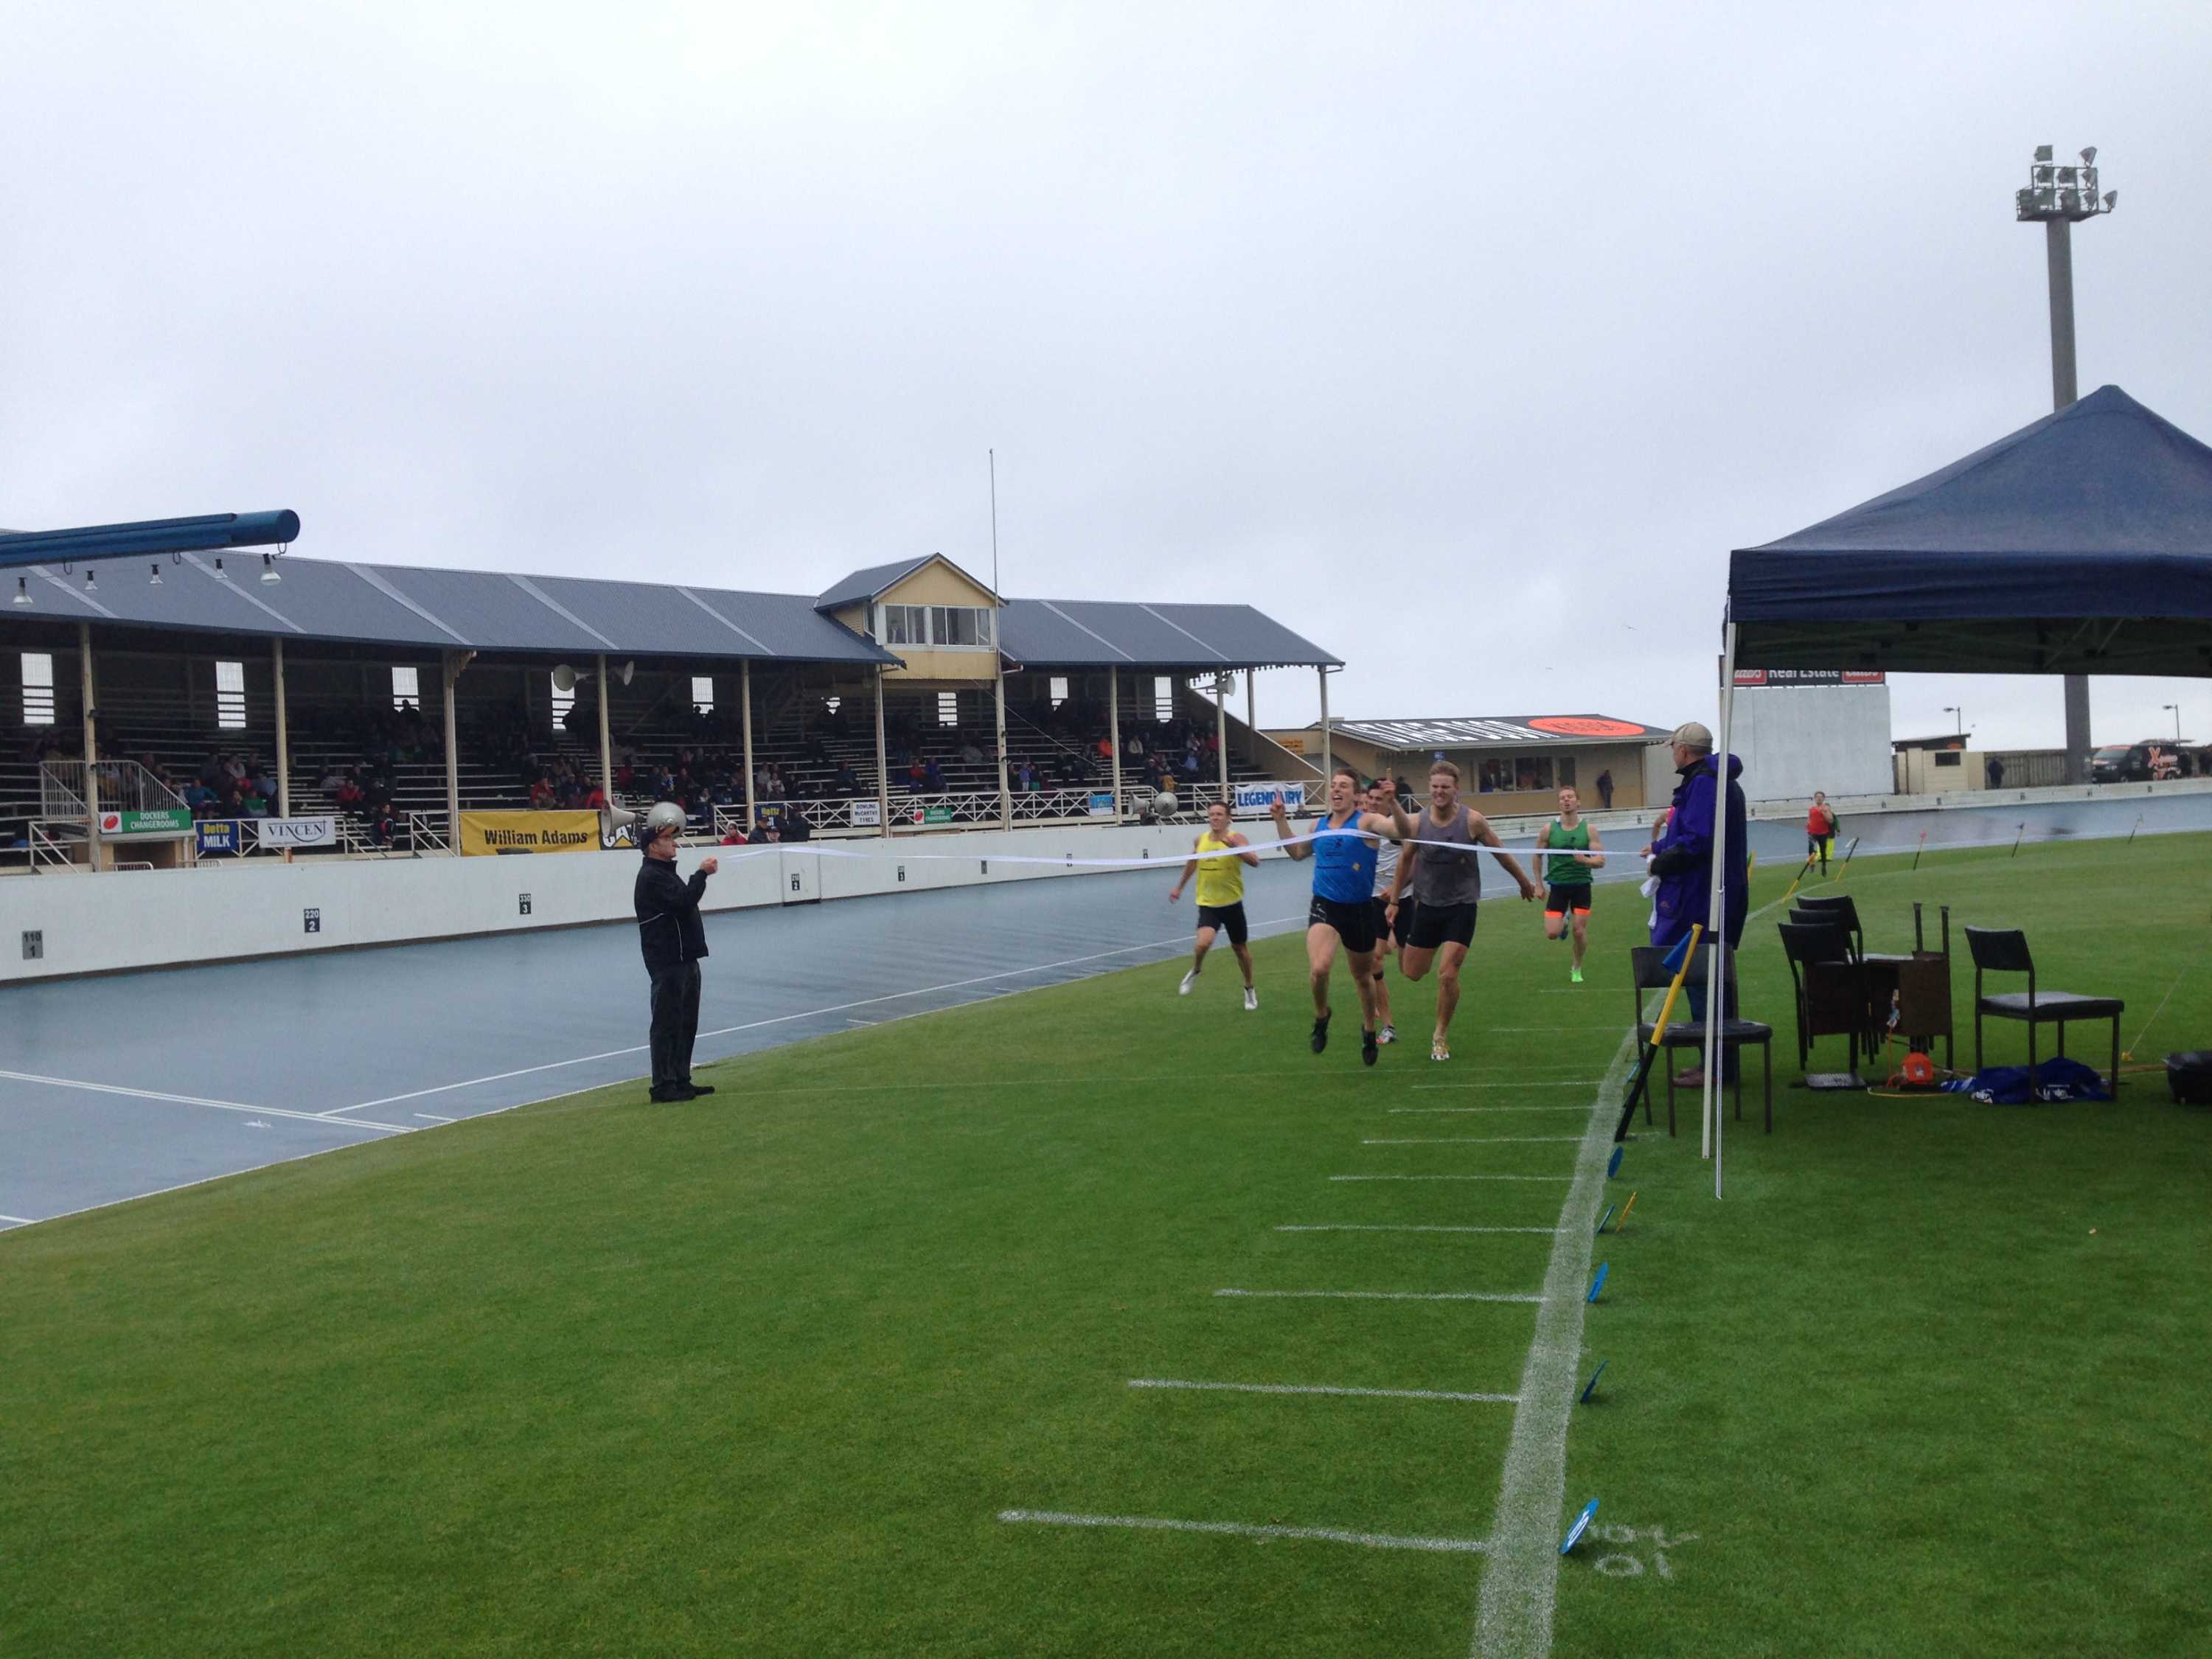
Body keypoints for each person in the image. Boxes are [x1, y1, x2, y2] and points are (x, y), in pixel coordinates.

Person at [1393, 760, 1540, 1062]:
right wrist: (1394, 899)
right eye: (1434, 787)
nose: (1439, 792)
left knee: (1447, 974)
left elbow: (1500, 852)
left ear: (1455, 789)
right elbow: (1406, 860)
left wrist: (1524, 881)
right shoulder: (1419, 823)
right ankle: (1431, 971)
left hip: (1462, 904)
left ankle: (1440, 1036)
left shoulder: (1472, 821)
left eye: (1445, 787)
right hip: (1428, 904)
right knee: (1412, 972)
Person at [1270, 768, 1413, 1065]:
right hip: (1325, 905)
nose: (1337, 790)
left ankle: (1369, 1029)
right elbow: (1297, 853)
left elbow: (1404, 832)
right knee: (1320, 968)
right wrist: (1281, 821)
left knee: (1363, 976)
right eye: (1333, 785)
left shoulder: (1367, 822)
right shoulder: (1318, 825)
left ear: (1355, 794)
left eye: (1344, 786)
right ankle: (1322, 1016)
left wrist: (1394, 803)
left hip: (1359, 909)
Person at [1645, 721, 1748, 1087]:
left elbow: (1698, 842)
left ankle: (1718, 1068)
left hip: (1705, 898)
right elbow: (1689, 834)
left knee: (1705, 979)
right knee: (1701, 979)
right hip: (1709, 893)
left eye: (1674, 747)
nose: (1673, 753)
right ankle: (1713, 1062)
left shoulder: (1704, 784)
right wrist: (1659, 849)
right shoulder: (1709, 782)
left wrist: (1661, 863)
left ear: (1684, 750)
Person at [633, 801, 720, 1103]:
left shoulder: (662, 873)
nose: (674, 843)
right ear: (654, 846)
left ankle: (680, 1079)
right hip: (668, 960)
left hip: (683, 958)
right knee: (667, 1023)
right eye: (669, 839)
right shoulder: (651, 877)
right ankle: (663, 1085)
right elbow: (684, 901)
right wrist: (701, 874)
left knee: (685, 1023)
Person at [1168, 800, 1260, 1009]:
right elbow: (1192, 863)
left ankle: (1249, 989)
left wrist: (1235, 848)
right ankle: (1196, 970)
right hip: (1209, 905)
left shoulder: (1236, 838)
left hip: (1232, 904)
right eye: (1212, 815)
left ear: (1228, 818)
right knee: (1202, 943)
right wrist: (1179, 888)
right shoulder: (1200, 840)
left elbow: (1255, 861)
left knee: (1240, 951)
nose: (1215, 818)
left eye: (1219, 814)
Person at [1537, 785, 1605, 983]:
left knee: (1579, 930)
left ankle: (1577, 966)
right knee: (1552, 933)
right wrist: (1538, 884)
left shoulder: (1589, 830)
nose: (1566, 800)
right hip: (1558, 886)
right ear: (1559, 803)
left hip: (1581, 886)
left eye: (1570, 797)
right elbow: (1536, 856)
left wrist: (1585, 860)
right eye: (1562, 798)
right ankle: (1563, 921)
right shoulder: (1549, 830)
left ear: (1578, 801)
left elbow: (1600, 861)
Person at [1363, 781, 1405, 1043]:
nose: (1375, 803)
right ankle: (1388, 1026)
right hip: (1373, 900)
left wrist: (1397, 888)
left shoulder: (1395, 829)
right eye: (1372, 798)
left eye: (1381, 799)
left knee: (1411, 968)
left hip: (1403, 899)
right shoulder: (1361, 826)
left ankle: (1397, 942)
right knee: (1374, 961)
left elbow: (1415, 856)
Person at [1806, 790, 1837, 874]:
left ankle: (1824, 866)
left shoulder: (1826, 808)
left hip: (1823, 833)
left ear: (1823, 799)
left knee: (1823, 851)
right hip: (1813, 832)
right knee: (1811, 848)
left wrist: (1824, 814)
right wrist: (1808, 825)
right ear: (1815, 799)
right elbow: (1810, 819)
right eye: (1817, 797)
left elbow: (1831, 821)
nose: (1819, 798)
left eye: (1821, 797)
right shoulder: (1812, 809)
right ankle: (1812, 864)